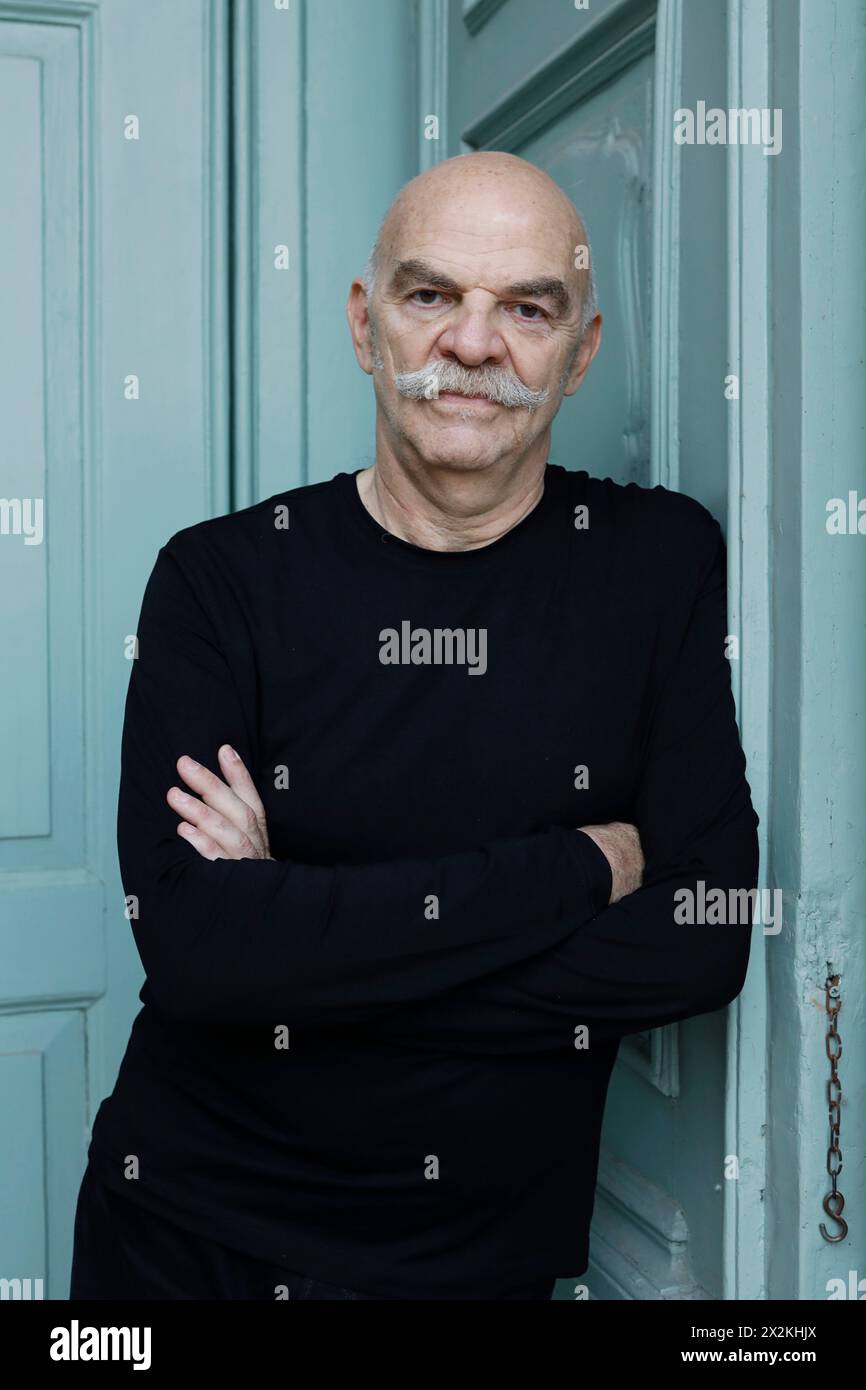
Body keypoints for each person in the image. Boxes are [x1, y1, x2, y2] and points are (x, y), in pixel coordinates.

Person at [70, 151, 759, 1301]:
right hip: (188, 1238)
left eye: (527, 307)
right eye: (430, 295)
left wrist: (301, 944)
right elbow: (197, 951)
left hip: (475, 1270)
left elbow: (704, 931)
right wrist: (579, 866)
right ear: (365, 322)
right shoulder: (220, 581)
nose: (473, 344)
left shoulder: (653, 564)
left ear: (579, 348)